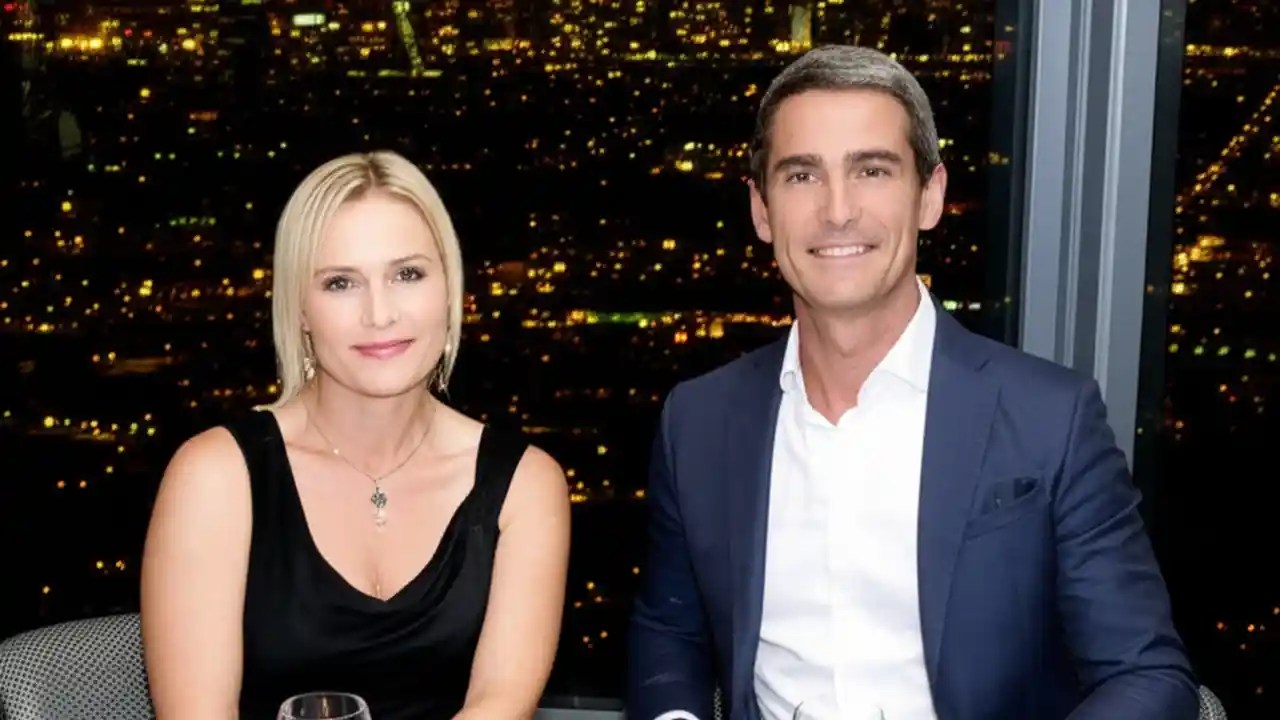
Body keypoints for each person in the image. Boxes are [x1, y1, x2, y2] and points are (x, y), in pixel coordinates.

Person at [627, 46, 1197, 720]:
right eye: (802, 175)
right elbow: (670, 636)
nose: (838, 211)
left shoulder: (1051, 419)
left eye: (872, 170)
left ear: (929, 195)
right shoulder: (698, 420)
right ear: (761, 209)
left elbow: (1148, 675)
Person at [141, 151, 571, 720]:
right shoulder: (215, 476)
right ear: (299, 308)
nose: (380, 313)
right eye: (341, 282)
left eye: (407, 274)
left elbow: (500, 706)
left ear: (450, 290)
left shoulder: (524, 484)